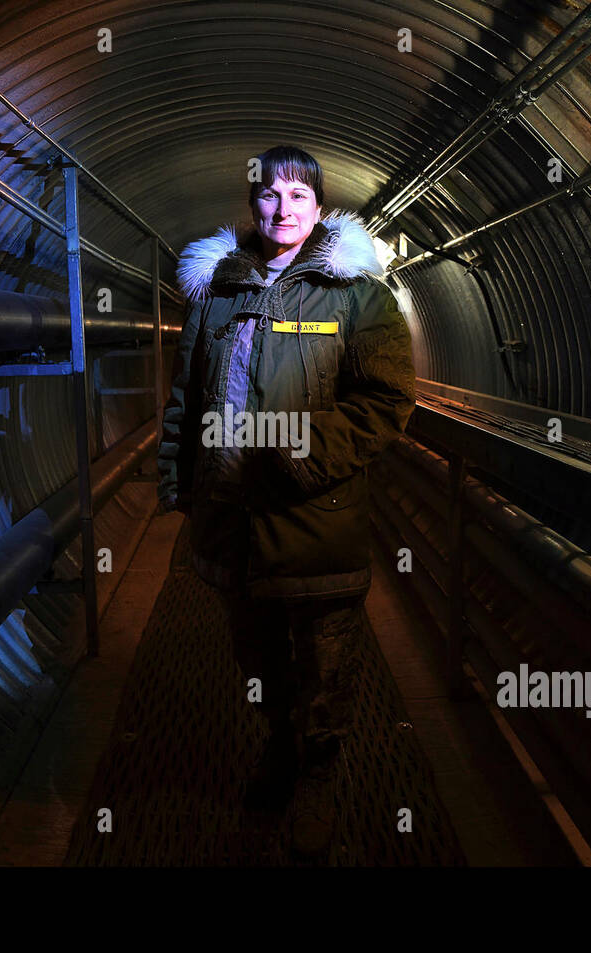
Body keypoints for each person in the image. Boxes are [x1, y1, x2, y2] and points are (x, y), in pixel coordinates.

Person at [157, 144, 416, 860]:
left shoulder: (357, 296)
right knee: (258, 657)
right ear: (252, 203)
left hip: (314, 521)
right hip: (233, 521)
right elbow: (186, 396)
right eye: (270, 196)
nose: (283, 209)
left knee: (324, 666)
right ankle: (277, 749)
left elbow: (389, 400)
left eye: (299, 198)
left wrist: (303, 451)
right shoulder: (218, 292)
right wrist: (179, 484)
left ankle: (319, 776)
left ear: (319, 207)